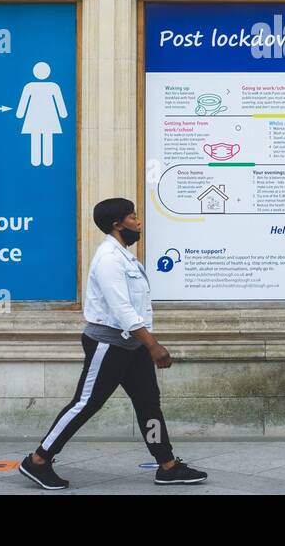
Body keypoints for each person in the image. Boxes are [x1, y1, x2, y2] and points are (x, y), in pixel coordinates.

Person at [20, 198, 207, 489]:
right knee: (85, 404)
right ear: (117, 224)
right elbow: (122, 310)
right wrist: (154, 346)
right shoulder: (108, 258)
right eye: (133, 217)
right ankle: (38, 460)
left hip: (132, 346)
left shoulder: (124, 256)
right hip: (108, 344)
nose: (138, 222)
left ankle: (167, 466)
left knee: (149, 405)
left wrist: (144, 345)